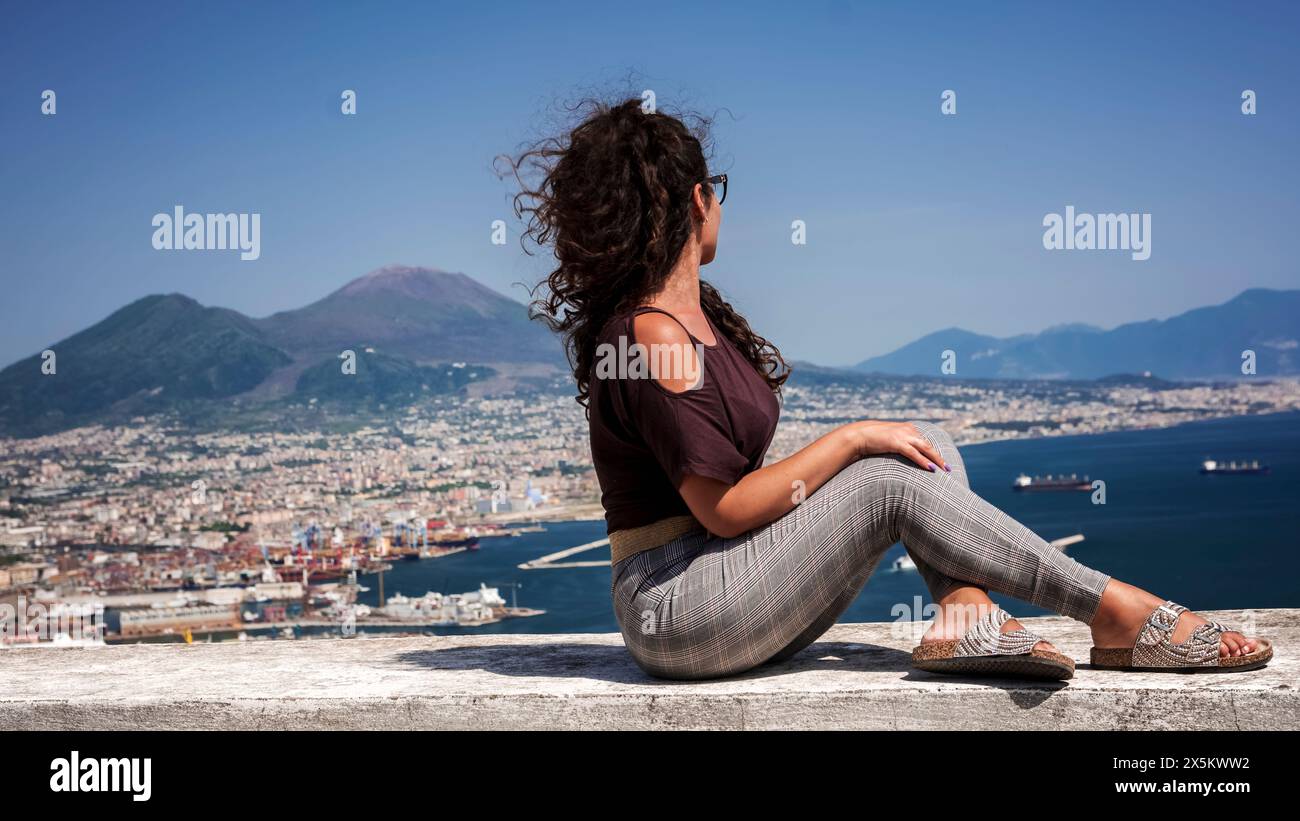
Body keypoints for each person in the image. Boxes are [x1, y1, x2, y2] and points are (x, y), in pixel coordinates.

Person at [503, 97, 1273, 681]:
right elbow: (723, 507)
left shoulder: (700, 319)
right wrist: (852, 436)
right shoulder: (652, 336)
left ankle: (965, 613)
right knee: (881, 473)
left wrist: (874, 437)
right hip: (673, 606)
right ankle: (1113, 612)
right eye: (720, 189)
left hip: (720, 577)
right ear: (695, 201)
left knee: (925, 445)